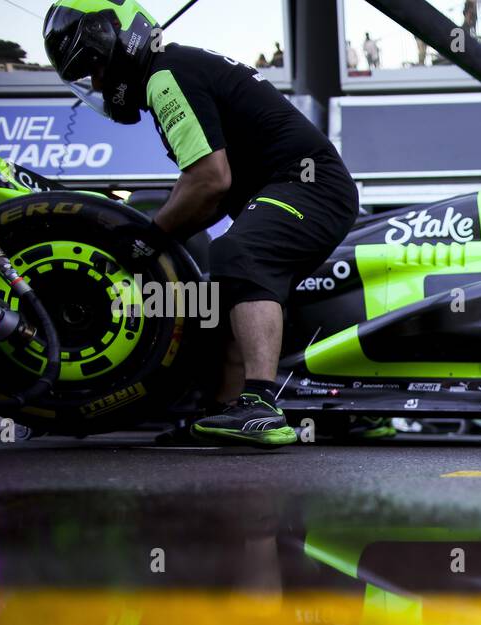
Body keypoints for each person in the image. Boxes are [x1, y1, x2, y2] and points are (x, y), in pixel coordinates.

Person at [44, 0, 358, 448]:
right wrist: (159, 241)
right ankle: (221, 411)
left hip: (311, 186)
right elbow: (208, 192)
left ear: (114, 43)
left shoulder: (165, 75)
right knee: (215, 290)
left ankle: (263, 407)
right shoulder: (175, 69)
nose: (94, 82)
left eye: (92, 67)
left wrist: (150, 237)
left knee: (237, 252)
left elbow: (210, 180)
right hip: (295, 188)